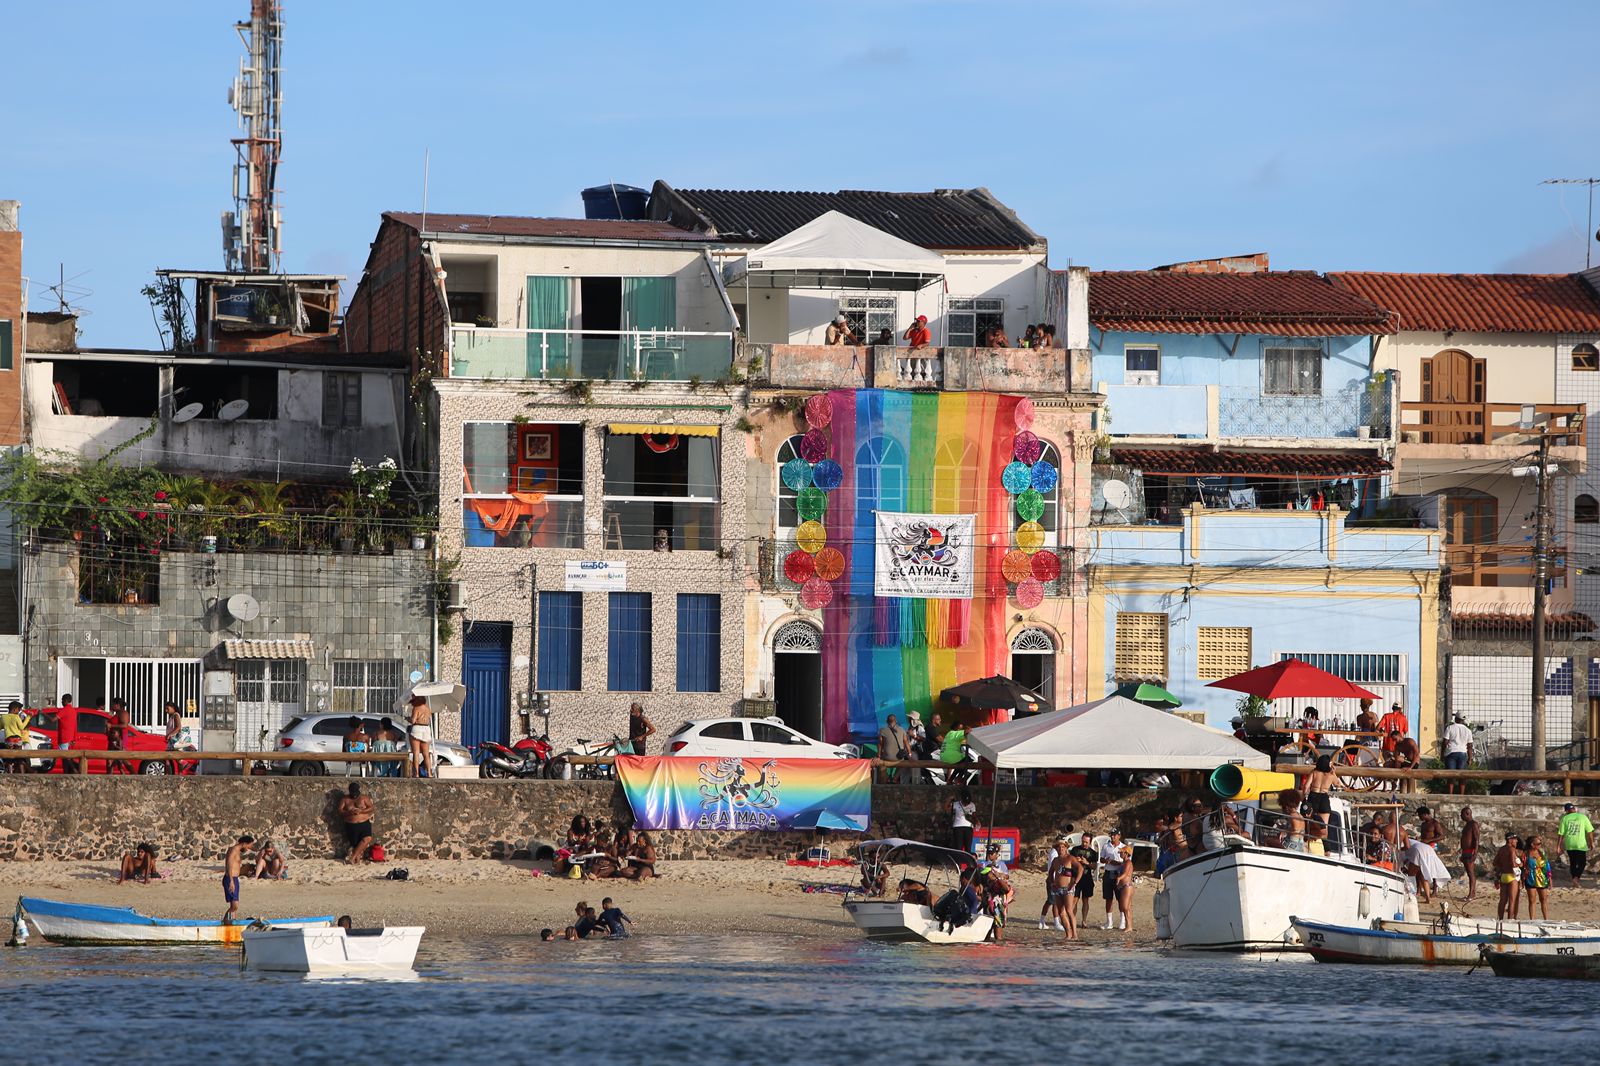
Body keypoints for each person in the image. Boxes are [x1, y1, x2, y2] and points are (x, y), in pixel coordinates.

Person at [1100, 829, 1131, 930]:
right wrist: (1106, 860)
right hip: (1108, 873)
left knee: (1120, 899)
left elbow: (1126, 864)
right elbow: (1101, 859)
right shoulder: (1106, 845)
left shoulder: (1123, 847)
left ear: (1119, 836)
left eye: (1114, 835)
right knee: (1108, 898)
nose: (1112, 837)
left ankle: (1122, 921)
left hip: (1118, 873)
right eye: (1111, 835)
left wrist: (1115, 862)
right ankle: (1109, 922)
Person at [338, 782, 376, 864]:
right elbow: (340, 811)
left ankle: (352, 857)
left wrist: (361, 811)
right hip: (351, 825)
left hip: (364, 823)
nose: (354, 795)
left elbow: (371, 808)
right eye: (352, 793)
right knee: (355, 844)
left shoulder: (364, 798)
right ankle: (356, 859)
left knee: (367, 838)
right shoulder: (345, 800)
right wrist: (349, 812)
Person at [1559, 801, 1594, 886]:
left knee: (1573, 862)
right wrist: (1591, 842)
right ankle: (1576, 878)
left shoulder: (1564, 818)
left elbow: (1561, 834)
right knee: (1582, 863)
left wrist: (1558, 846)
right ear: (1574, 809)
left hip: (1570, 844)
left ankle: (1574, 879)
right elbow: (1590, 831)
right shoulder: (1583, 817)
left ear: (1566, 811)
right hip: (1580, 844)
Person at [1070, 832, 1099, 928]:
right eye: (1083, 841)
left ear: (1090, 842)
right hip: (1076, 877)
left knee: (1085, 900)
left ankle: (1084, 921)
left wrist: (1087, 863)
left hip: (1087, 878)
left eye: (1086, 842)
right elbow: (1069, 861)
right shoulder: (1075, 849)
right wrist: (1076, 861)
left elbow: (1095, 867)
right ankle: (1072, 920)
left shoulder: (1093, 853)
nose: (1084, 844)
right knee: (1075, 900)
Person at [223, 835, 254, 924]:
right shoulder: (233, 850)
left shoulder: (237, 851)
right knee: (235, 906)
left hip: (235, 878)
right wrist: (231, 881)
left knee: (234, 904)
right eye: (249, 846)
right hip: (230, 878)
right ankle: (226, 921)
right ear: (244, 843)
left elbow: (236, 867)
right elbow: (229, 865)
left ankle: (232, 921)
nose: (249, 848)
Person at [1493, 834, 1523, 921]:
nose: (1516, 841)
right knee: (1512, 900)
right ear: (1510, 840)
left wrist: (1503, 866)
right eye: (1515, 839)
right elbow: (1513, 864)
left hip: (1504, 876)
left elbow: (1495, 862)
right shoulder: (1512, 849)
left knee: (1502, 900)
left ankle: (1500, 919)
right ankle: (1510, 920)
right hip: (1512, 876)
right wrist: (1520, 864)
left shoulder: (1502, 849)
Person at [1523, 835, 1553, 920]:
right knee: (1532, 900)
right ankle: (1532, 919)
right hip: (1530, 878)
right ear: (1533, 844)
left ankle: (1546, 919)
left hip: (1542, 878)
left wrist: (1550, 878)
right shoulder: (1526, 854)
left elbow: (1547, 866)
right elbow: (1522, 865)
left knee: (1543, 899)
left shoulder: (1541, 853)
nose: (1540, 845)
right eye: (1538, 843)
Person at [1440, 714, 1474, 790]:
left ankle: (1451, 796)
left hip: (1451, 752)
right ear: (1463, 720)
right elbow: (1470, 745)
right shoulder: (1468, 730)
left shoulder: (1450, 728)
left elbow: (1445, 742)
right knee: (1462, 776)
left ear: (1456, 718)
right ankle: (1461, 796)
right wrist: (1470, 758)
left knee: (1451, 776)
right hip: (1463, 753)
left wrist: (1442, 754)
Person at [406, 693, 434, 777]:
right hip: (426, 728)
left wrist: (407, 719)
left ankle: (416, 773)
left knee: (416, 753)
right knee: (426, 754)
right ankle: (429, 773)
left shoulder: (416, 708)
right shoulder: (428, 709)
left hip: (417, 728)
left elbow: (413, 721)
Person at [876, 714, 909, 783]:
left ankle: (886, 778)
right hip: (899, 758)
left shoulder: (882, 730)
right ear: (896, 721)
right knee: (903, 763)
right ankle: (895, 778)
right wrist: (909, 753)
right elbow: (906, 742)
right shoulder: (902, 729)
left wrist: (878, 755)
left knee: (881, 763)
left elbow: (880, 744)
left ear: (887, 721)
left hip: (887, 757)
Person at [1304, 755, 1337, 822]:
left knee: (1310, 824)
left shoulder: (1314, 772)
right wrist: (1334, 773)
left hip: (1313, 796)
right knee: (1324, 826)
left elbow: (1306, 786)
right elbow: (1338, 784)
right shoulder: (1330, 774)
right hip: (1324, 798)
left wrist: (1304, 797)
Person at [1, 700, 29, 773]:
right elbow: (22, 727)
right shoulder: (16, 717)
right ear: (14, 709)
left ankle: (10, 774)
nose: (19, 711)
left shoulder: (3, 717)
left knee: (9, 759)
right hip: (17, 739)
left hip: (9, 740)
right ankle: (22, 775)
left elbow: (0, 727)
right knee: (19, 758)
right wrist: (29, 717)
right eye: (18, 709)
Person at [1460, 807, 1481, 901]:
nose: (1461, 816)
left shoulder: (1473, 824)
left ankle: (1471, 894)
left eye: (1462, 814)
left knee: (1471, 873)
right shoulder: (1467, 825)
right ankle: (1472, 893)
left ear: (1467, 813)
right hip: (1465, 851)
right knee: (1469, 873)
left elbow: (1476, 839)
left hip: (1470, 852)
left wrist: (1475, 853)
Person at [107, 697, 131, 775]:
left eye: (113, 704)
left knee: (123, 759)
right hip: (113, 738)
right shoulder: (116, 713)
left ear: (117, 705)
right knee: (110, 759)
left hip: (121, 738)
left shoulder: (123, 713)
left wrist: (111, 725)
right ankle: (109, 778)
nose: (111, 706)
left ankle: (134, 774)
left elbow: (124, 725)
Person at [948, 788, 977, 855]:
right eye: (965, 802)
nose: (966, 804)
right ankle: (959, 862)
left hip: (968, 827)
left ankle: (968, 863)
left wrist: (976, 822)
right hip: (958, 827)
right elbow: (947, 809)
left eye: (967, 803)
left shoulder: (972, 805)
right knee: (958, 847)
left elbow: (974, 815)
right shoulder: (955, 804)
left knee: (968, 847)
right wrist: (949, 800)